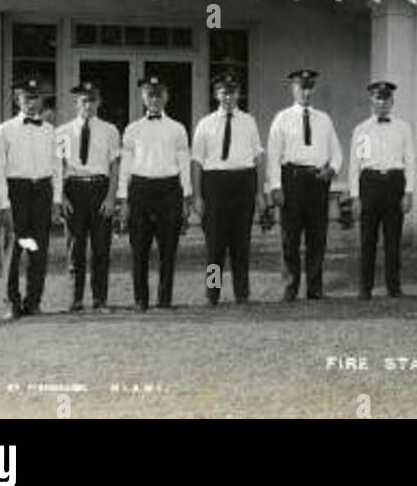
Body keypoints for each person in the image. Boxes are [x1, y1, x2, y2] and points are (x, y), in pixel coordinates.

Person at [117, 75, 191, 311]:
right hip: (140, 190)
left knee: (168, 249)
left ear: (166, 97)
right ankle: (141, 300)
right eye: (150, 95)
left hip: (169, 190)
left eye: (159, 95)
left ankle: (165, 299)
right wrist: (123, 199)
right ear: (143, 98)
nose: (155, 100)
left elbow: (184, 164)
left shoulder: (178, 129)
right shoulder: (132, 129)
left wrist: (186, 196)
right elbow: (125, 166)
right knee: (140, 249)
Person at [266, 69, 341, 301]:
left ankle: (315, 288)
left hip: (317, 181)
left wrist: (332, 169)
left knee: (317, 236)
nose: (306, 92)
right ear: (293, 89)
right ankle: (290, 286)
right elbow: (273, 154)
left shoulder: (324, 119)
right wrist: (276, 186)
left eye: (310, 87)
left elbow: (336, 152)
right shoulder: (282, 118)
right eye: (302, 87)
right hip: (293, 179)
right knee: (290, 236)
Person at [191, 71, 265, 305]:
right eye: (223, 93)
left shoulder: (249, 122)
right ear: (216, 95)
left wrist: (259, 191)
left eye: (232, 93)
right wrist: (197, 195)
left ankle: (241, 293)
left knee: (241, 243)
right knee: (215, 245)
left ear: (239, 95)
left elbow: (258, 157)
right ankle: (213, 292)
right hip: (215, 185)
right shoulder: (205, 124)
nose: (228, 98)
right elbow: (197, 161)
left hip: (243, 183)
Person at [0, 78, 63, 319]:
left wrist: (57, 199)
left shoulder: (52, 131)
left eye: (36, 98)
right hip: (16, 191)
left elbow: (57, 166)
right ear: (17, 100)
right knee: (14, 249)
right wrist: (3, 203)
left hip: (42, 191)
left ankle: (33, 302)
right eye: (26, 99)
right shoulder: (4, 130)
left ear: (42, 100)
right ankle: (11, 302)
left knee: (39, 249)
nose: (31, 104)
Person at [58, 81, 121, 312]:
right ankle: (75, 299)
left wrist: (111, 197)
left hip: (99, 189)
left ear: (99, 102)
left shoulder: (110, 130)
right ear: (76, 103)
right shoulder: (63, 132)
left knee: (101, 248)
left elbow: (115, 166)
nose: (88, 105)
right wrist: (61, 197)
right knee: (75, 248)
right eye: (84, 101)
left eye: (93, 100)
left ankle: (100, 299)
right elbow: (60, 166)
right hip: (73, 189)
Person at [348, 80, 415, 299]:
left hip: (394, 184)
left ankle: (393, 287)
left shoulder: (403, 128)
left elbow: (410, 162)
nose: (382, 102)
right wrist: (355, 196)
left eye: (386, 98)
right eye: (378, 98)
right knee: (368, 239)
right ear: (371, 100)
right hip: (370, 184)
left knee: (393, 239)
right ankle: (365, 288)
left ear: (392, 101)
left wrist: (409, 192)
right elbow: (355, 164)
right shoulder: (362, 130)